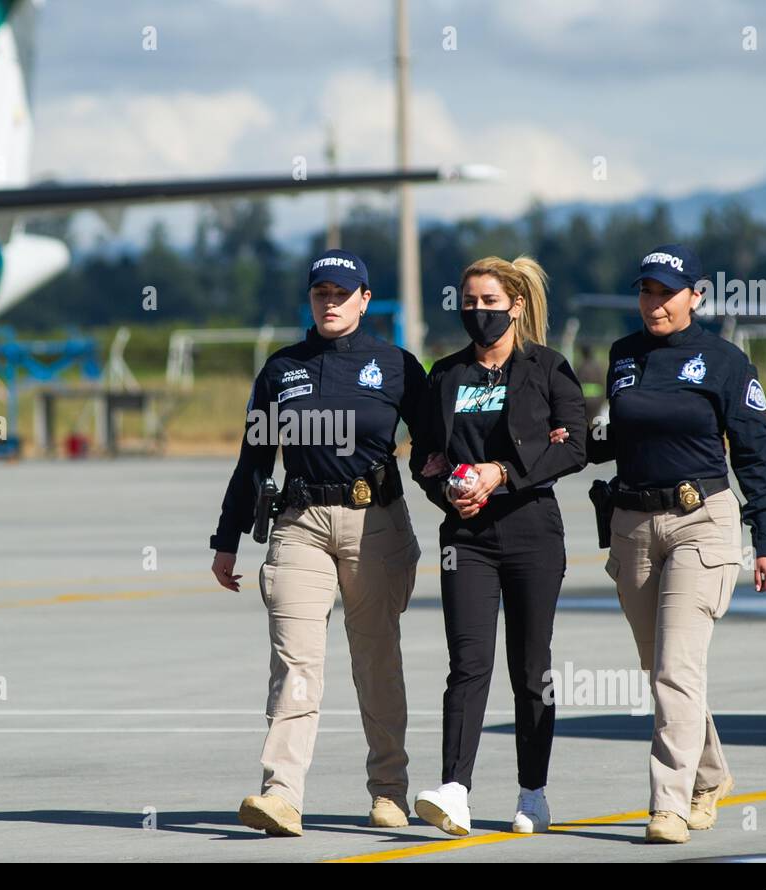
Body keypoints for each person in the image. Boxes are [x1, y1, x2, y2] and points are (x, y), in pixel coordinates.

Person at [210, 249, 430, 837]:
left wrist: (477, 495)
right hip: (300, 523)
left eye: (341, 293)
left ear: (364, 297)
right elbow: (254, 459)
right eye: (319, 294)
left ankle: (389, 789)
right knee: (295, 661)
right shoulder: (282, 369)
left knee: (376, 659)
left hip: (375, 522)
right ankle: (281, 793)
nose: (330, 303)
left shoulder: (398, 365)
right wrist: (227, 537)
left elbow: (438, 447)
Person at [578, 242, 766, 844]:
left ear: (696, 295)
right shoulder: (623, 356)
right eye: (646, 290)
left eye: (667, 292)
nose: (655, 302)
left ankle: (667, 804)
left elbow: (755, 452)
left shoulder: (725, 362)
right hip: (634, 523)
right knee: (663, 670)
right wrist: (562, 438)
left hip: (703, 521)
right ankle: (711, 774)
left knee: (676, 667)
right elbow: (612, 436)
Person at [409, 256, 586, 836]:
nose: (477, 312)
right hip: (467, 537)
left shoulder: (549, 368)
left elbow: (575, 446)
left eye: (489, 302)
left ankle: (532, 792)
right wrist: (445, 489)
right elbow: (424, 455)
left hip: (533, 530)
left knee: (531, 669)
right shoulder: (445, 374)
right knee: (468, 664)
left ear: (515, 305)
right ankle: (454, 789)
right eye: (469, 302)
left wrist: (504, 472)